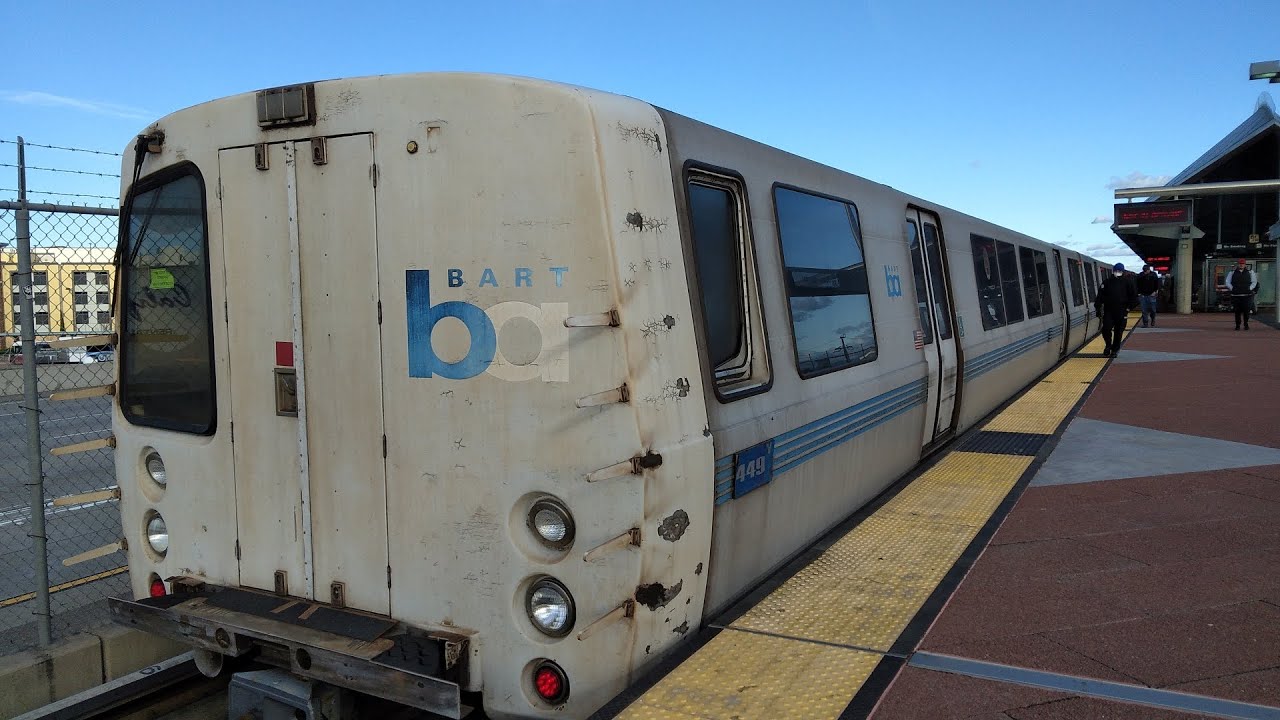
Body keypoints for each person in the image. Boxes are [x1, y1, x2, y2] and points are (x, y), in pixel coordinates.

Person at [1095, 262, 1138, 357]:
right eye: (1116, 270)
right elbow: (1100, 296)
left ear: (1122, 271)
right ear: (1113, 271)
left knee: (1118, 332)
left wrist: (1128, 308)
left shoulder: (1128, 282)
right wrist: (1097, 307)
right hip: (1109, 310)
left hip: (1122, 311)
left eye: (1119, 271)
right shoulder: (1107, 282)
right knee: (1106, 329)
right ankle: (1108, 345)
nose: (1117, 272)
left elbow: (1134, 297)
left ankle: (1115, 350)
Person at [1224, 258, 1257, 330]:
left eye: (1242, 264)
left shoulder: (1250, 272)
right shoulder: (1232, 272)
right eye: (1240, 264)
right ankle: (1237, 325)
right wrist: (1232, 288)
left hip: (1247, 295)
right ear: (1238, 264)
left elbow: (1254, 282)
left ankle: (1246, 324)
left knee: (1246, 311)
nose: (1241, 265)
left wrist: (1249, 288)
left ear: (1245, 264)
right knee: (1237, 311)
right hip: (1236, 295)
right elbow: (1227, 282)